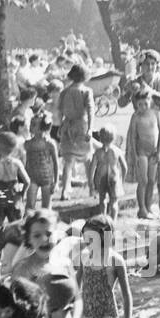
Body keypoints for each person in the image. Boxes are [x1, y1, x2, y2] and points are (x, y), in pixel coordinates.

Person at [75, 214, 132, 318]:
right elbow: (75, 286)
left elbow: (126, 295)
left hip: (107, 315)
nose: (86, 242)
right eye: (85, 238)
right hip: (86, 312)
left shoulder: (115, 260)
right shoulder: (84, 257)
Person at [124, 86, 160, 219]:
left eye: (145, 103)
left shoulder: (155, 114)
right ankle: (142, 209)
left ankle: (148, 206)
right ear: (136, 104)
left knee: (152, 180)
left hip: (153, 152)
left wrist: (159, 152)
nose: (142, 107)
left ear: (150, 102)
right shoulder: (135, 117)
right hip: (141, 152)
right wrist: (134, 155)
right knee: (143, 181)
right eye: (139, 104)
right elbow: (133, 137)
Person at [56, 64, 95, 198]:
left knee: (68, 161)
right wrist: (90, 128)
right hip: (81, 125)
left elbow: (59, 112)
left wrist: (60, 126)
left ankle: (65, 191)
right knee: (87, 159)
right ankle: (91, 188)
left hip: (67, 126)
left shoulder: (64, 92)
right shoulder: (86, 91)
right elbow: (90, 111)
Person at [0, 131, 30, 229]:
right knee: (17, 225)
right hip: (13, 196)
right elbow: (27, 181)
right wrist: (22, 194)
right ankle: (18, 241)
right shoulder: (17, 163)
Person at [86, 127, 126, 219]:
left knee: (102, 199)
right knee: (114, 201)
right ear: (114, 138)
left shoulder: (98, 152)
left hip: (101, 177)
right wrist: (122, 179)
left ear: (100, 138)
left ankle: (103, 220)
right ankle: (113, 221)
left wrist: (91, 181)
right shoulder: (117, 151)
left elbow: (92, 168)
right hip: (114, 178)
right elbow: (124, 167)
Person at [23, 114, 59, 209]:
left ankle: (47, 223)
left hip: (47, 178)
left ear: (43, 127)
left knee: (46, 208)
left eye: (34, 124)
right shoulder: (28, 144)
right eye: (31, 123)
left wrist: (56, 182)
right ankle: (27, 223)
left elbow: (56, 163)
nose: (31, 126)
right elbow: (23, 162)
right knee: (30, 206)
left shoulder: (50, 144)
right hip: (32, 178)